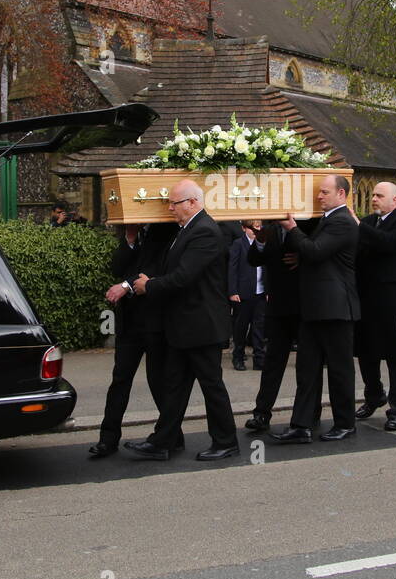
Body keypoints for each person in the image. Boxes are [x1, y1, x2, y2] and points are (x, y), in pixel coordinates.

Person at [127, 180, 238, 462]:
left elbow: (183, 277)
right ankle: (162, 442)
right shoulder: (187, 230)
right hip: (185, 325)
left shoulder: (205, 232)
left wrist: (149, 286)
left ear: (192, 202)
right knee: (174, 386)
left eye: (174, 203)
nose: (170, 208)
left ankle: (226, 442)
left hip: (202, 325)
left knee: (211, 386)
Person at [271, 175, 360, 444]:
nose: (319, 196)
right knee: (306, 368)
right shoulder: (328, 219)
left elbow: (316, 251)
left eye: (324, 192)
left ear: (342, 194)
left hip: (335, 307)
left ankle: (345, 423)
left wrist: (291, 228)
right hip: (314, 307)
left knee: (339, 369)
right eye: (319, 192)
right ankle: (302, 424)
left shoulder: (343, 221)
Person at [88, 222, 181, 459]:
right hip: (129, 323)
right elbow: (117, 267)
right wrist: (129, 239)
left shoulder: (166, 230)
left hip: (155, 321)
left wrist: (126, 286)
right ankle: (107, 440)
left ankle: (171, 435)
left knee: (157, 380)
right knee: (120, 379)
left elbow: (156, 267)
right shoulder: (132, 232)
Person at [353, 182, 396, 431]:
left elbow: (391, 245)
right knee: (365, 351)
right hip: (367, 297)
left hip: (395, 299)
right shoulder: (368, 222)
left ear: (395, 200)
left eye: (379, 195)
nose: (374, 199)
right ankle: (374, 396)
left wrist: (360, 228)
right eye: (373, 195)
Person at [244, 219, 303, 432]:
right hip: (278, 305)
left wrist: (303, 257)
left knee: (306, 367)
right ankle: (261, 414)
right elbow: (253, 259)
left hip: (305, 304)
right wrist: (259, 240)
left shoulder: (311, 222)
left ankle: (305, 418)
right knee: (272, 364)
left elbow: (320, 252)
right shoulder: (271, 227)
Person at [227, 220, 265, 371]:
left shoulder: (263, 243)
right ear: (244, 229)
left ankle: (259, 359)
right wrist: (232, 291)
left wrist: (267, 290)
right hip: (243, 293)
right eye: (253, 228)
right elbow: (232, 268)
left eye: (259, 227)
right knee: (240, 328)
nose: (257, 231)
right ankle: (238, 357)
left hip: (260, 291)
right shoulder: (238, 244)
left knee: (259, 328)